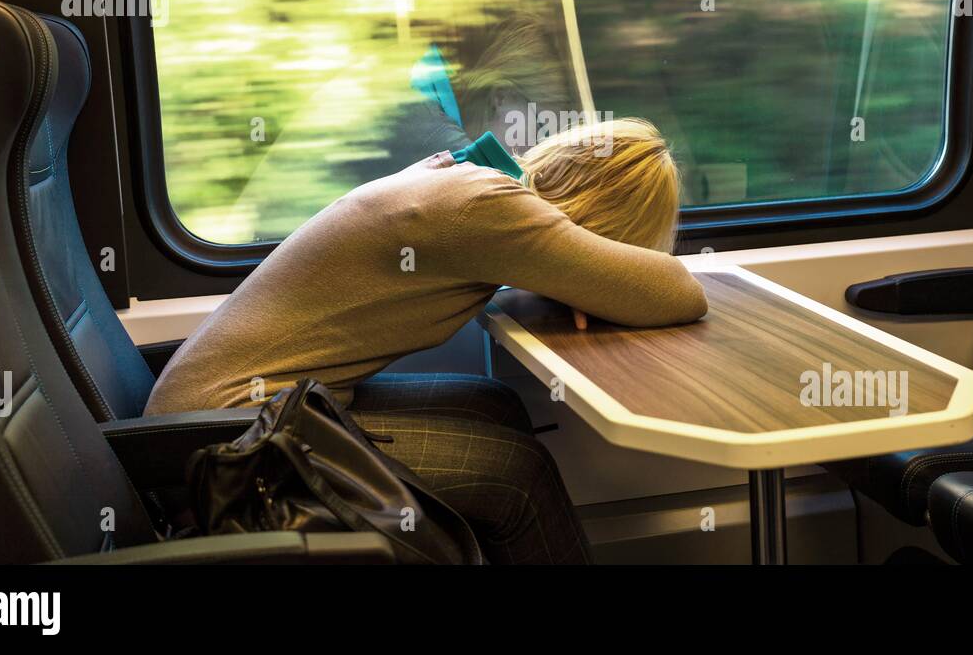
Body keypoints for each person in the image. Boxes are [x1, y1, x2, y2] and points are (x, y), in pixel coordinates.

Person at [147, 117, 708, 564]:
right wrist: (597, 280)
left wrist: (582, 278)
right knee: (518, 477)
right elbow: (680, 293)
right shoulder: (492, 211)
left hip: (244, 407)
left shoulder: (467, 178)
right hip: (232, 438)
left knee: (495, 403)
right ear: (604, 217)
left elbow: (570, 263)